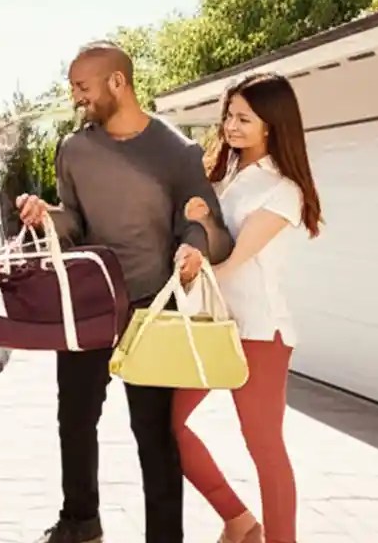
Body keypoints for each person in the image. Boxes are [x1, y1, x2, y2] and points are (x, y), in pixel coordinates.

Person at [16, 40, 235, 543]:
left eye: (82, 87)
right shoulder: (74, 149)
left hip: (151, 310)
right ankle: (81, 523)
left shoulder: (176, 152)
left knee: (154, 434)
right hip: (90, 304)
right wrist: (46, 215)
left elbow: (206, 225)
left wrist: (195, 246)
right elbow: (74, 223)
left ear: (118, 82)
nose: (76, 98)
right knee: (74, 419)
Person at [173, 72, 322, 543]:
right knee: (165, 426)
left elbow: (235, 258)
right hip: (214, 325)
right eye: (229, 116)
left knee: (264, 448)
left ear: (271, 125)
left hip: (259, 332)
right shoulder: (222, 176)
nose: (231, 126)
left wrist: (195, 268)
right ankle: (240, 522)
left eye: (244, 119)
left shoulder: (283, 189)